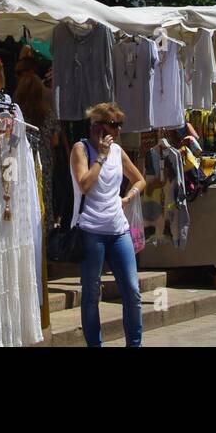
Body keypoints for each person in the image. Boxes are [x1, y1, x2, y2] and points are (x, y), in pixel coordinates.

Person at [71, 102, 146, 347]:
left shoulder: (118, 151)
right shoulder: (80, 149)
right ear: (97, 126)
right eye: (114, 125)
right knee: (91, 294)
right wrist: (101, 157)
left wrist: (128, 197)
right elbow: (84, 184)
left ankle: (134, 344)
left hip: (118, 229)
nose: (118, 130)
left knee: (132, 292)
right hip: (91, 230)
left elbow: (139, 180)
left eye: (120, 125)